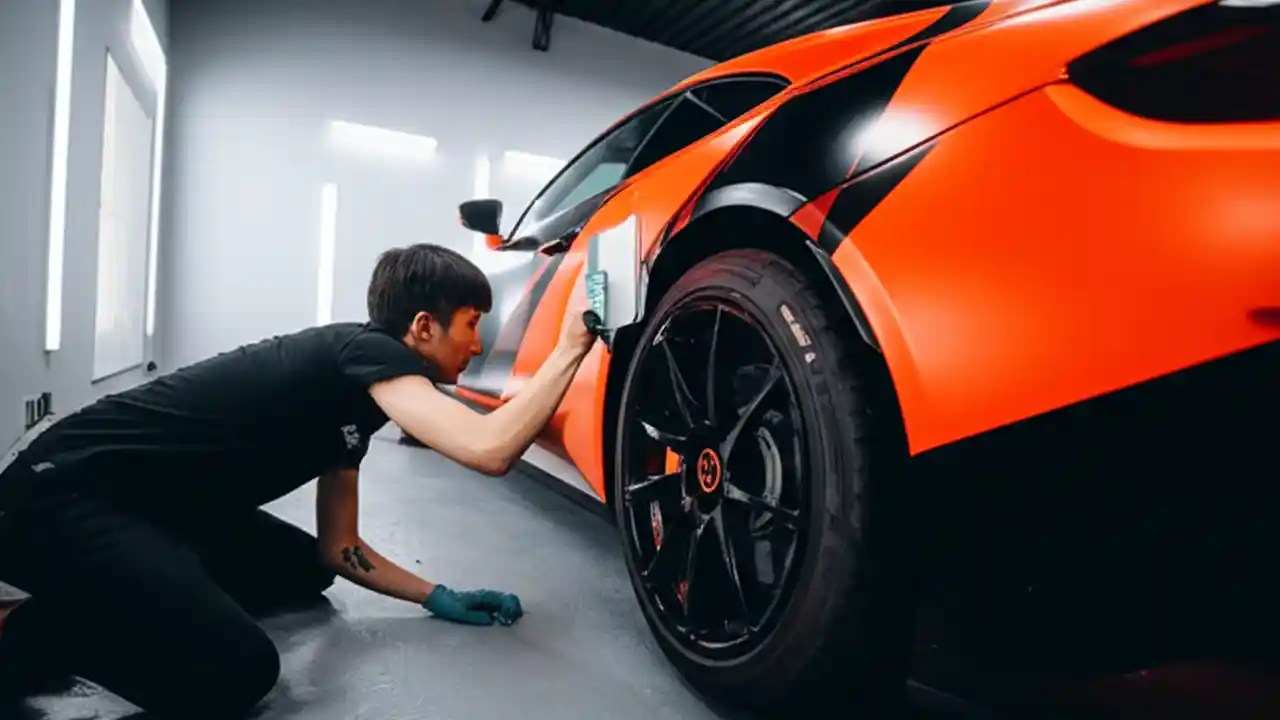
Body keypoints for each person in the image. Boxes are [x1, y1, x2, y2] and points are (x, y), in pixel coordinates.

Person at [0, 243, 598, 717]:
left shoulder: (359, 396)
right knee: (235, 671)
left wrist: (437, 596)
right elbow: (489, 449)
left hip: (154, 508)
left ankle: (146, 583)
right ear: (422, 327)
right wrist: (573, 346)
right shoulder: (364, 353)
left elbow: (340, 548)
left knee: (305, 565)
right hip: (59, 498)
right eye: (472, 324)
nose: (477, 344)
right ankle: (31, 631)